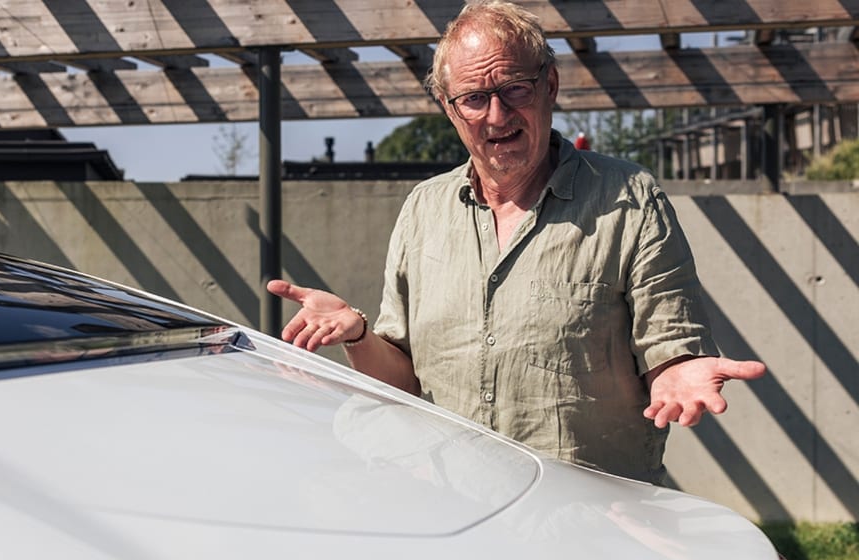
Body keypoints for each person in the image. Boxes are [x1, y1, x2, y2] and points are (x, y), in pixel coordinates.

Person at [266, 0, 765, 485]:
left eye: (514, 88)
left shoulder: (630, 199)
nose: (496, 115)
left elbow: (670, 348)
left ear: (549, 84)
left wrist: (677, 372)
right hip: (455, 511)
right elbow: (407, 384)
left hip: (591, 521)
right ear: (448, 106)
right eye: (474, 98)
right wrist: (356, 335)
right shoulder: (423, 210)